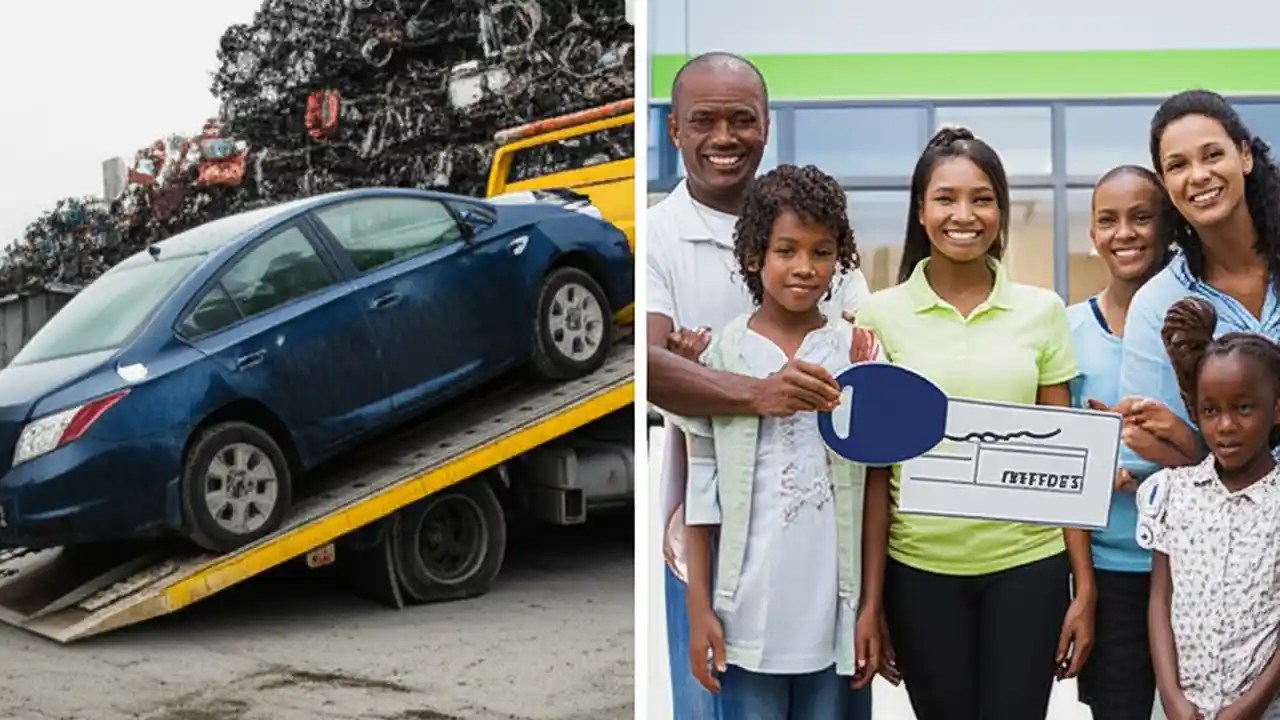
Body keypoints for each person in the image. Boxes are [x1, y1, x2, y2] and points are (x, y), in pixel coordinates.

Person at [645, 52, 872, 719]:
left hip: (827, 547)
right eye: (703, 121)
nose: (724, 137)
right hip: (708, 521)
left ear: (766, 125)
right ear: (675, 132)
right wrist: (750, 390)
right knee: (718, 700)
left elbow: (861, 353)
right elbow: (650, 368)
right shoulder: (659, 235)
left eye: (741, 119)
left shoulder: (804, 223)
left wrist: (699, 376)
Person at [853, 126, 1095, 720]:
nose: (965, 214)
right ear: (920, 210)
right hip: (919, 574)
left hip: (1028, 569)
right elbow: (875, 474)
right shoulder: (876, 316)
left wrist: (1083, 588)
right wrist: (872, 600)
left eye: (982, 198)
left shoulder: (1043, 312)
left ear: (1001, 210)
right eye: (946, 198)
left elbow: (1065, 460)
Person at [1067, 164, 1199, 720]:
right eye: (1108, 220)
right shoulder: (1068, 331)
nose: (1125, 233)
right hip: (1110, 571)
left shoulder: (1198, 324)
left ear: (1168, 225)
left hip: (1195, 567)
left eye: (1142, 218)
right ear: (1092, 234)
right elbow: (1058, 451)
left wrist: (1154, 465)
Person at [1115, 89, 1280, 503]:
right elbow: (1151, 457)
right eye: (1177, 165)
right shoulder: (1158, 306)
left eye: (1212, 155)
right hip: (1229, 550)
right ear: (1164, 183)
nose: (1199, 175)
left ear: (1244, 156)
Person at [1136, 297, 1280, 720]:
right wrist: (1173, 698)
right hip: (1181, 708)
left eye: (1244, 408)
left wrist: (1248, 707)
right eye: (1211, 411)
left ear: (1276, 409)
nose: (1227, 426)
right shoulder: (1175, 493)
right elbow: (1160, 601)